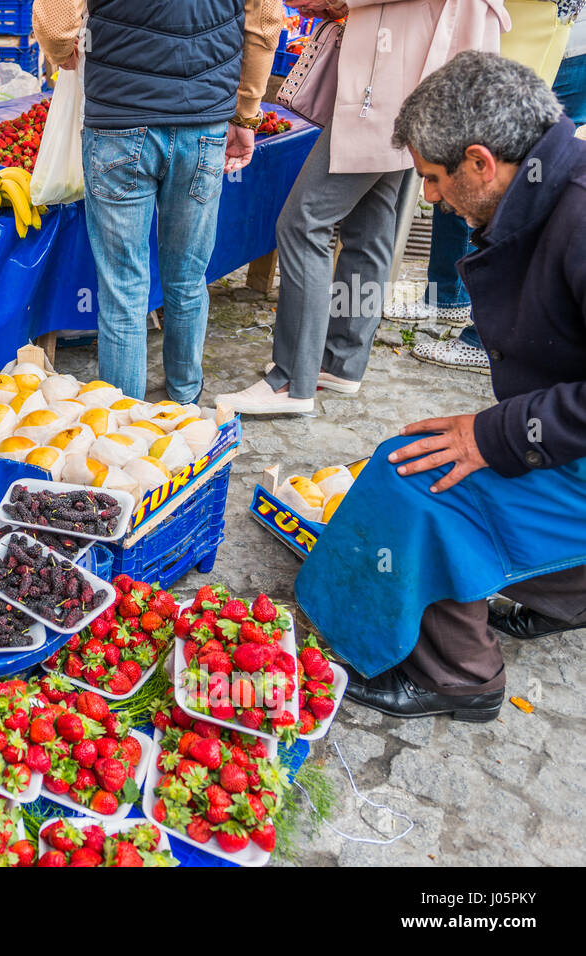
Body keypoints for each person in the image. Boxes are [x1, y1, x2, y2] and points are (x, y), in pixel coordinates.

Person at [293, 51, 586, 721]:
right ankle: (567, 590)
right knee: (444, 458)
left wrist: (496, 435)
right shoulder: (554, 186)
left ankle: (461, 675)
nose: (428, 196)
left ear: (480, 162)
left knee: (410, 480)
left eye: (431, 178)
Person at [217, 0, 508, 416]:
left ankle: (291, 381)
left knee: (304, 223)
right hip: (407, 71)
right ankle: (341, 361)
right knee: (370, 225)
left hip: (389, 80)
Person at [31, 0, 284, 405]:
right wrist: (247, 111)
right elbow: (265, 24)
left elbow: (56, 17)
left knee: (123, 288)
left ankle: (123, 424)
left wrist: (62, 52)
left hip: (119, 119)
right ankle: (185, 401)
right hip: (203, 119)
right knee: (187, 276)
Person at [401, 0, 582, 374]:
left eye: (430, 180)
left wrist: (488, 433)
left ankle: (480, 334)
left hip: (536, 33)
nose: (430, 197)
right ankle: (452, 299)